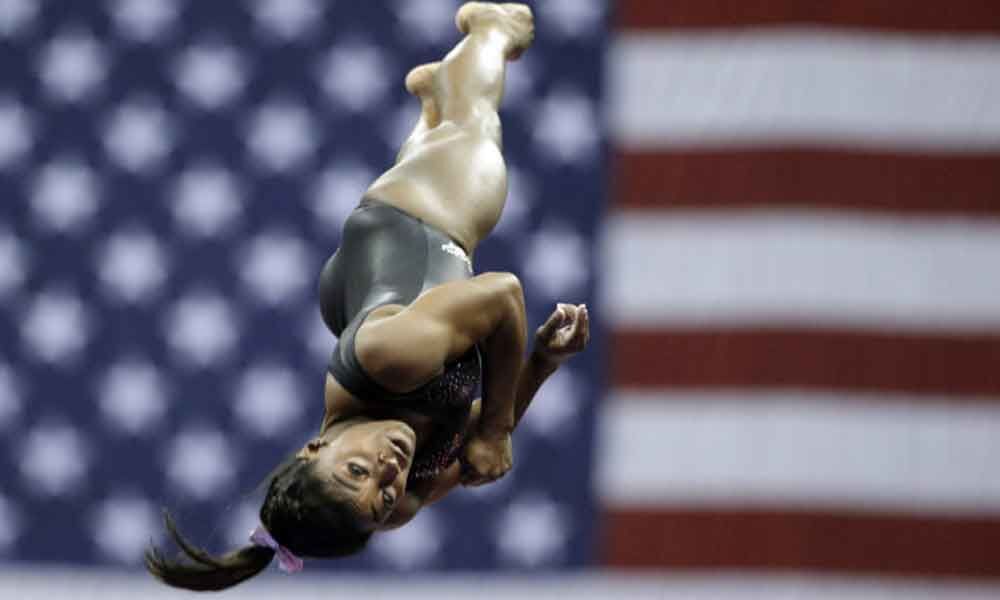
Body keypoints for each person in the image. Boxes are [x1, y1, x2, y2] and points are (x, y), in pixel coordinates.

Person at [145, 2, 590, 591]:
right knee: (446, 146)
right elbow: (475, 442)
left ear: (313, 447)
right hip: (365, 286)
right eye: (380, 498)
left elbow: (503, 298)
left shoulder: (391, 357)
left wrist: (497, 430)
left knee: (475, 132)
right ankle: (430, 102)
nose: (388, 474)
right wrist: (541, 364)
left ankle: (487, 30)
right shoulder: (404, 503)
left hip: (411, 227)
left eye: (356, 470)